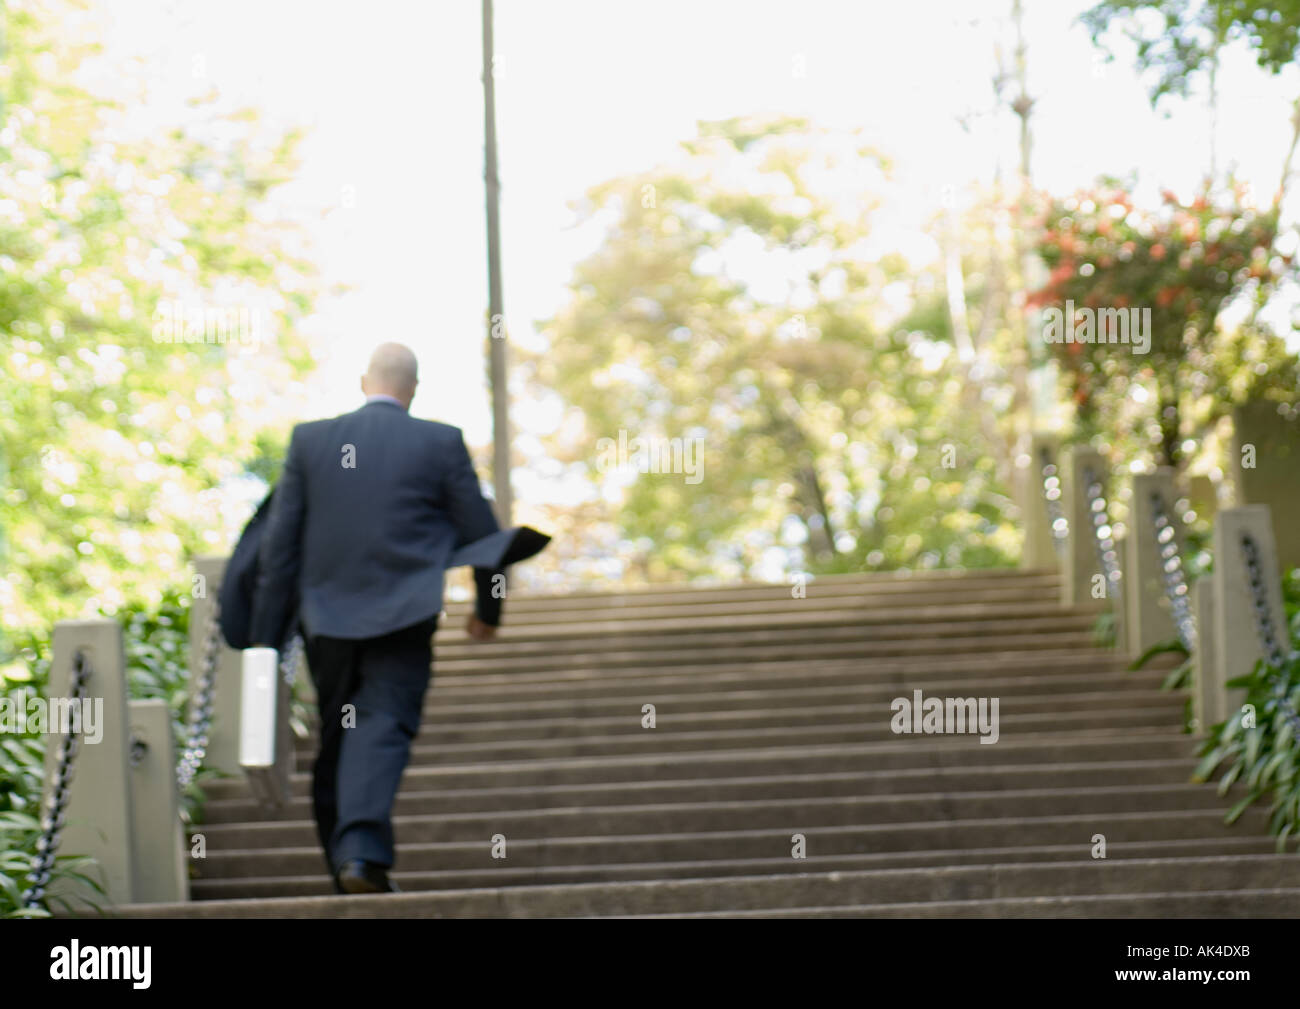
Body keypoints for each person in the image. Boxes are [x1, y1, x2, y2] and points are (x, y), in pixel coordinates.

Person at [249, 342, 507, 894]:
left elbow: (280, 547)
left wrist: (264, 641)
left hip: (327, 621)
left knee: (340, 737)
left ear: (363, 381)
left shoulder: (311, 441)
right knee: (382, 720)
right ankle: (361, 855)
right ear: (413, 389)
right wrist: (488, 609)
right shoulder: (439, 442)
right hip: (404, 615)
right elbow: (483, 535)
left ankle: (349, 864)